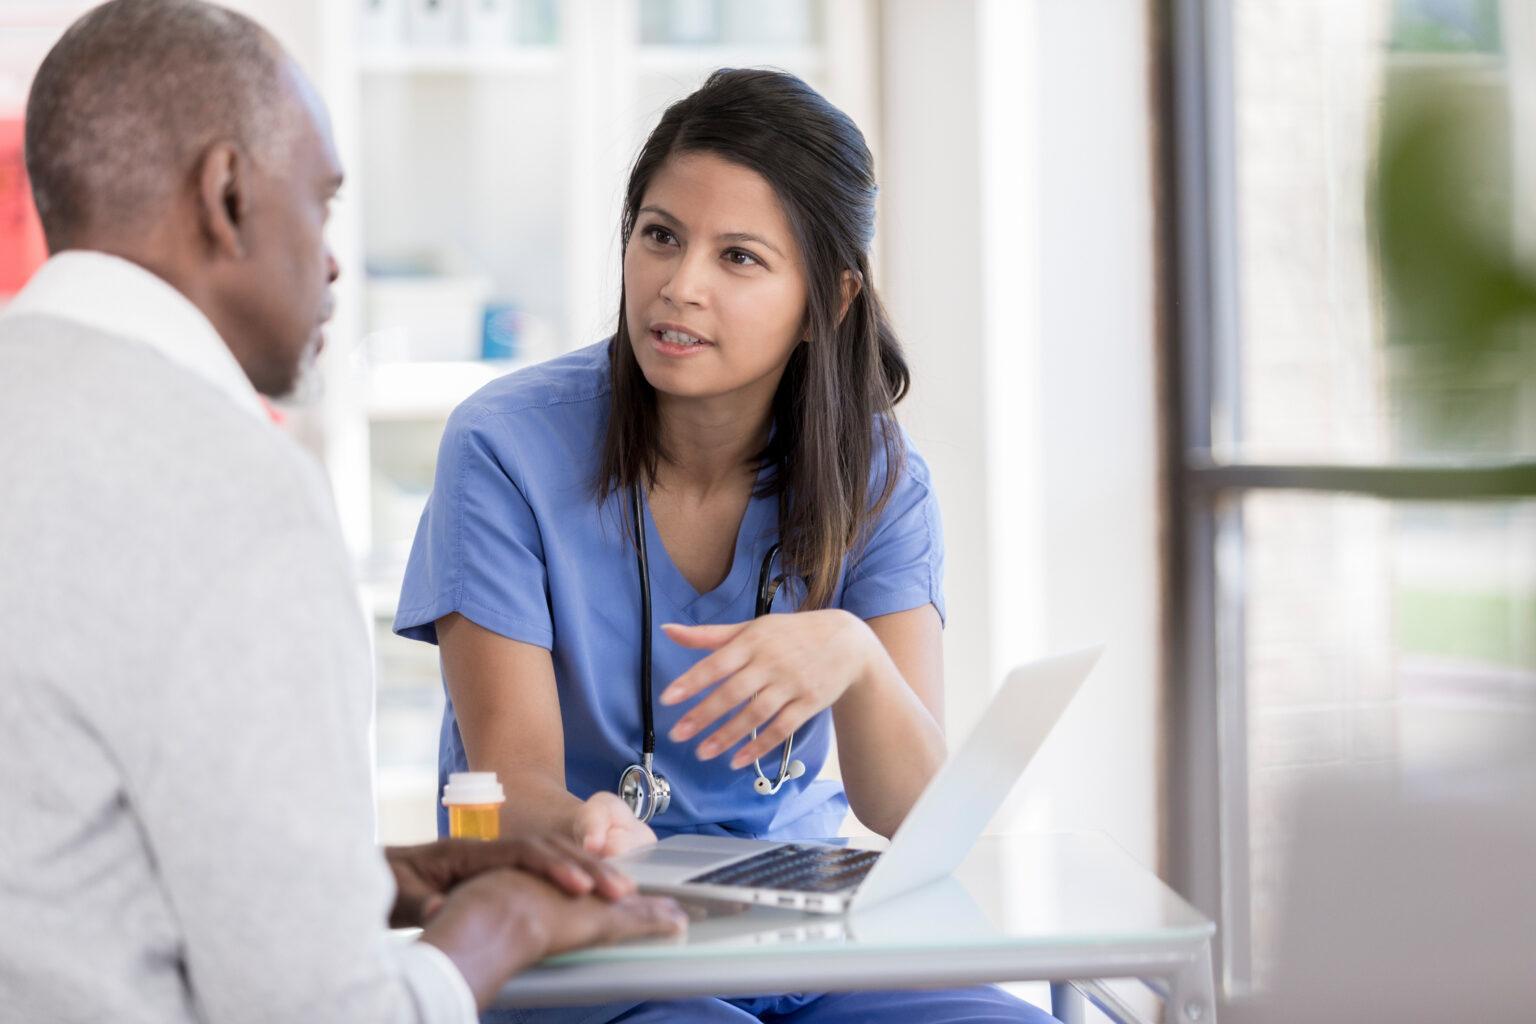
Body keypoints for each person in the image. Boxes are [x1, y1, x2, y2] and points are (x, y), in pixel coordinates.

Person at [0, 2, 684, 1022]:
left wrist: (352, 877)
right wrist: (504, 928)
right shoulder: (232, 488)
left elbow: (52, 860)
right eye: (321, 203)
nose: (330, 261)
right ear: (227, 193)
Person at [395, 68, 1055, 1023]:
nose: (679, 285)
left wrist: (860, 664)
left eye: (738, 257)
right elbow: (504, 782)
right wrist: (582, 827)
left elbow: (916, 816)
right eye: (660, 236)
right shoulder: (504, 446)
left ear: (827, 302)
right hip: (589, 923)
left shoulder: (879, 478)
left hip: (806, 935)